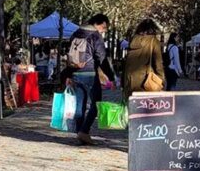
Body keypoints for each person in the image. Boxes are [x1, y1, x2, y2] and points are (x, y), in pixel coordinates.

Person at [67, 13, 115, 145]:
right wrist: (111, 76)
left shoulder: (76, 33)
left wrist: (69, 74)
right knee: (96, 104)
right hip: (89, 74)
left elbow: (69, 55)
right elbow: (101, 57)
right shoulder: (95, 36)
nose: (104, 31)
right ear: (99, 24)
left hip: (76, 73)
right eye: (104, 28)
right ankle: (84, 131)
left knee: (79, 105)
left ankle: (79, 132)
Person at [123, 19, 165, 101]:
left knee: (131, 106)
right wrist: (161, 80)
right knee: (145, 108)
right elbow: (158, 63)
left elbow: (126, 61)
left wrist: (123, 82)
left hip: (129, 79)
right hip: (145, 80)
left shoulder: (132, 40)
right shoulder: (153, 41)